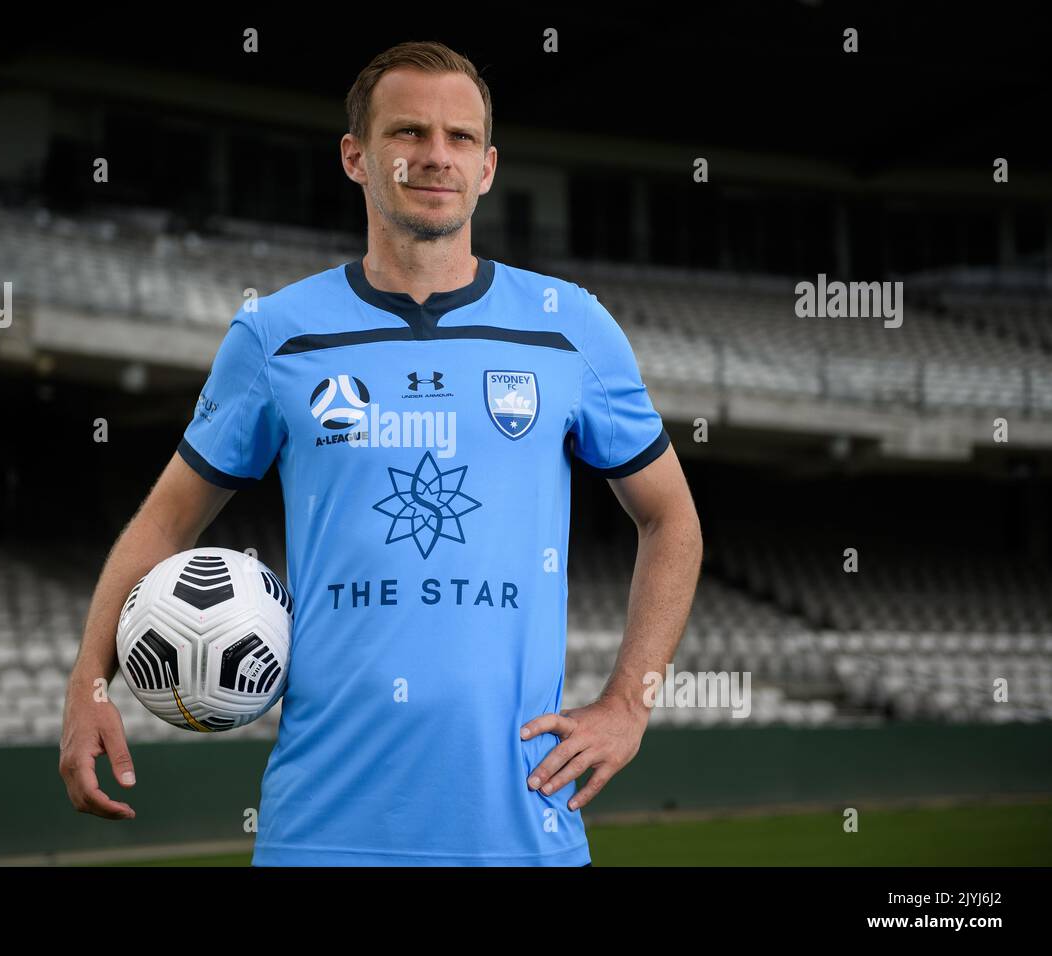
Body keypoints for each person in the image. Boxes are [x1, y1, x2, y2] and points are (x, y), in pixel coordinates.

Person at [60, 40, 702, 866]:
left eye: (460, 138)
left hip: (521, 830)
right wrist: (88, 682)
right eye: (409, 132)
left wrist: (629, 702)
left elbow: (672, 518)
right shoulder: (276, 336)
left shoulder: (567, 325)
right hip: (321, 832)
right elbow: (167, 519)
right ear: (356, 157)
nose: (436, 156)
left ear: (489, 166)